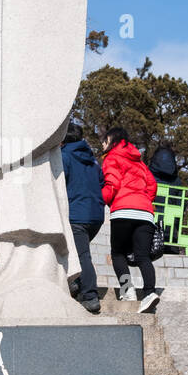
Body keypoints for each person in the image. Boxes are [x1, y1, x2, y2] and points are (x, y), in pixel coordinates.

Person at [101, 126, 160, 314]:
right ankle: (150, 293)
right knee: (143, 256)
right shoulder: (140, 162)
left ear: (111, 139)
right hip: (145, 213)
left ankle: (128, 292)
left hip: (123, 211)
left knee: (118, 254)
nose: (102, 144)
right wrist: (142, 201)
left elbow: (113, 184)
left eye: (104, 140)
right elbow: (152, 185)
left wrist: (100, 198)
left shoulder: (111, 158)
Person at [61, 121, 105, 315]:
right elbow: (102, 181)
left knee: (82, 255)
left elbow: (58, 182)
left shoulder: (64, 156)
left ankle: (90, 296)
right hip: (96, 215)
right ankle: (77, 284)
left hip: (77, 213)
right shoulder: (92, 159)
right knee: (79, 251)